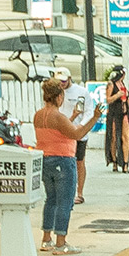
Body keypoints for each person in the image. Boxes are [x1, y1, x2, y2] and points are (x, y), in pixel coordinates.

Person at [35, 79, 102, 255]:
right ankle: (61, 242)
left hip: (45, 159)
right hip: (62, 160)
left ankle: (46, 238)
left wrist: (72, 117)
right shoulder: (57, 116)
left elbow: (58, 131)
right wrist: (94, 117)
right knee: (64, 202)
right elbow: (77, 134)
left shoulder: (39, 115)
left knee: (51, 200)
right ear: (59, 96)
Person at [53, 68, 93, 204]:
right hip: (61, 131)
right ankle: (64, 191)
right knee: (62, 162)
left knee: (79, 162)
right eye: (59, 81)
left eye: (64, 81)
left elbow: (89, 112)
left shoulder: (81, 91)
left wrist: (81, 126)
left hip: (78, 132)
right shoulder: (55, 93)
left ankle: (79, 192)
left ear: (69, 78)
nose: (62, 84)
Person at [104, 66, 129, 172]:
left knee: (126, 137)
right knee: (114, 138)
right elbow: (108, 100)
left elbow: (125, 99)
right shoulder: (111, 84)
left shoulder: (123, 84)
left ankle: (125, 163)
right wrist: (117, 95)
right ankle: (115, 161)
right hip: (114, 113)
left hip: (124, 112)